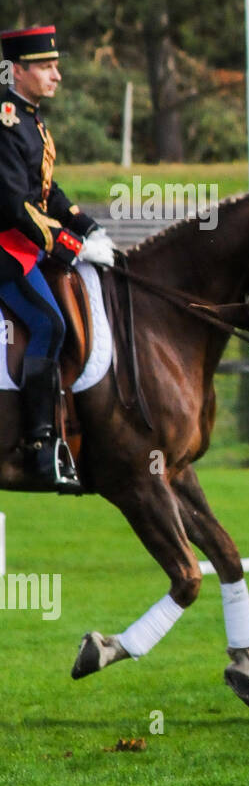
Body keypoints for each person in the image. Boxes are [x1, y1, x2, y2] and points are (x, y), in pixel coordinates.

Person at [0, 24, 115, 488]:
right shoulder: (6, 121)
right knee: (50, 323)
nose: (57, 76)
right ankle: (39, 445)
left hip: (26, 247)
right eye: (46, 67)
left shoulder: (32, 119)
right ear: (19, 70)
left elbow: (48, 192)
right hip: (7, 251)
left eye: (56, 66)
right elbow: (13, 205)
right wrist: (72, 245)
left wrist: (87, 225)